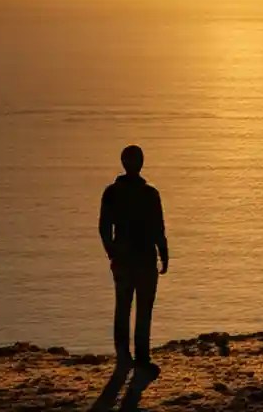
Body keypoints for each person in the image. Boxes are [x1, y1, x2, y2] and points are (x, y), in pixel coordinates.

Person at [98, 144, 169, 378]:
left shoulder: (112, 192)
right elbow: (158, 229)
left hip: (126, 258)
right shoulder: (149, 194)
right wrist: (164, 253)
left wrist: (112, 251)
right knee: (142, 310)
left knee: (123, 307)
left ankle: (124, 356)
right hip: (143, 258)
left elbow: (104, 228)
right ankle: (140, 357)